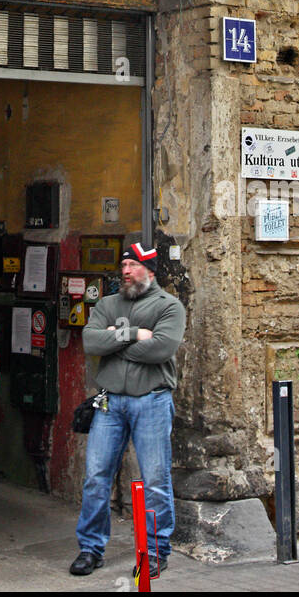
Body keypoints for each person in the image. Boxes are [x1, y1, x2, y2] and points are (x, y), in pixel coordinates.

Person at [70, 240, 186, 578]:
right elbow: (91, 342)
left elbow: (160, 349)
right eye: (123, 266)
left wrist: (115, 343)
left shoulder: (170, 306)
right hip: (110, 401)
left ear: (149, 271)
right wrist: (136, 334)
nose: (125, 272)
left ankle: (155, 551)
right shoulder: (107, 303)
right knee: (95, 477)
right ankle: (90, 549)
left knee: (155, 480)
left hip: (152, 400)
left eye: (132, 266)